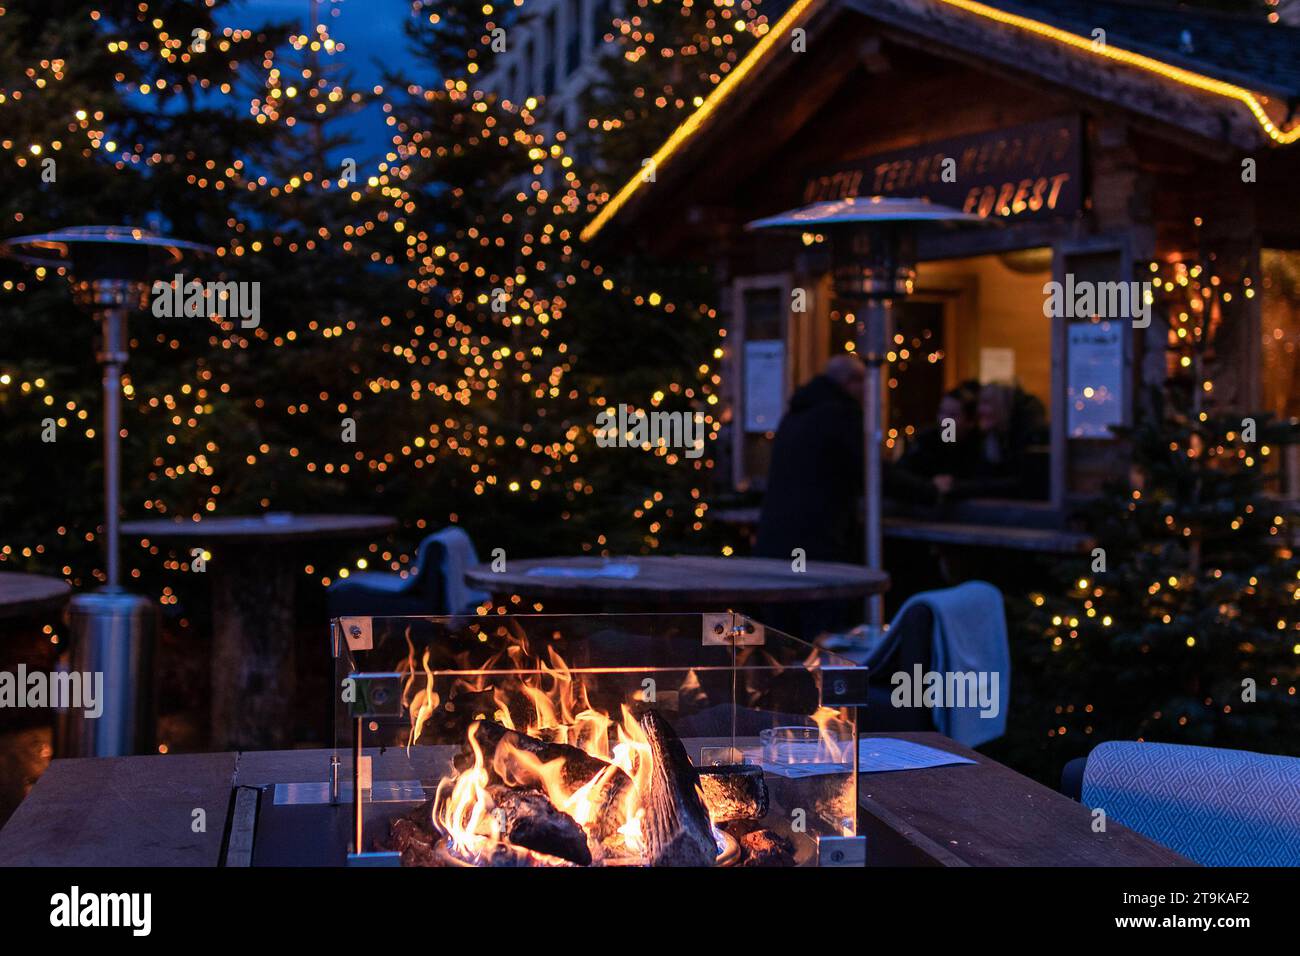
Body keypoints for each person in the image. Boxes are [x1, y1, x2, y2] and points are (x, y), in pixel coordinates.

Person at [755, 354, 865, 564]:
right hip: (819, 536)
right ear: (850, 382)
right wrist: (927, 491)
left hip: (779, 536)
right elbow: (865, 469)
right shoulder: (841, 415)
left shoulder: (797, 412)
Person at [886, 381, 981, 505]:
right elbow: (902, 471)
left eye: (952, 415)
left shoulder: (979, 444)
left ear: (969, 422)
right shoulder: (926, 439)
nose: (944, 420)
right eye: (942, 412)